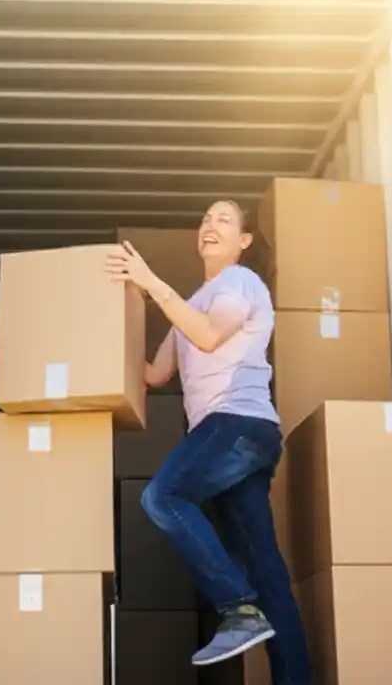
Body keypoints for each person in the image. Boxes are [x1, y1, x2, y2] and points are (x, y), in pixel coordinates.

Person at [104, 200, 311, 683]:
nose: (209, 225)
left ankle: (237, 609)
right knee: (268, 574)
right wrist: (93, 343)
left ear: (243, 241)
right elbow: (155, 374)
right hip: (232, 440)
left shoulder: (240, 283)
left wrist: (151, 283)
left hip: (237, 425)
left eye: (224, 220)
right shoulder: (191, 303)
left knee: (164, 496)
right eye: (204, 218)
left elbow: (212, 336)